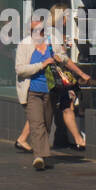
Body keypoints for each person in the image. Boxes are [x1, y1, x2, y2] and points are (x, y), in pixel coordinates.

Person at [15, 12, 59, 171]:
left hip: (50, 90)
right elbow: (20, 70)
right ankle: (39, 156)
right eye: (34, 30)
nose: (37, 33)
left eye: (40, 29)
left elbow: (63, 60)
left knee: (47, 123)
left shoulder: (52, 42)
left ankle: (43, 154)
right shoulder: (24, 44)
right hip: (32, 91)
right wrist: (41, 65)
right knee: (36, 123)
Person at [46, 4, 91, 151]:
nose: (67, 19)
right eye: (65, 16)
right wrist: (81, 73)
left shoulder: (51, 32)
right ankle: (77, 139)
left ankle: (77, 139)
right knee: (55, 108)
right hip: (55, 78)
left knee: (66, 107)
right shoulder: (53, 33)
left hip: (55, 78)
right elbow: (63, 59)